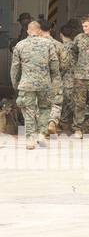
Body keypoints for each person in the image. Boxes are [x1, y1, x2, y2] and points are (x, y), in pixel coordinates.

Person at [10, 17, 63, 148]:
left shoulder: (20, 45)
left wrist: (15, 84)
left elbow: (15, 68)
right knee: (45, 109)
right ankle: (41, 135)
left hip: (26, 84)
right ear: (39, 31)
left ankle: (30, 139)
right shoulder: (49, 44)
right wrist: (54, 82)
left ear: (28, 31)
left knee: (28, 110)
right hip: (44, 84)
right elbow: (55, 67)